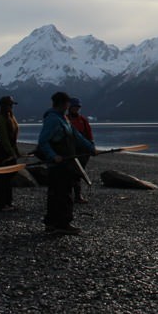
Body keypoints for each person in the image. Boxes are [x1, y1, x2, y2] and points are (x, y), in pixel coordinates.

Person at [37, 91, 96, 236]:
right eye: (68, 103)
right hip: (58, 164)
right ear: (63, 104)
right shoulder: (52, 120)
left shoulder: (64, 119)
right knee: (61, 194)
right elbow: (42, 142)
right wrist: (53, 155)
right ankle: (62, 224)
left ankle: (52, 223)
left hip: (67, 162)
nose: (70, 106)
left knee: (60, 192)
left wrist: (91, 148)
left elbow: (76, 136)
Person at [0, 95, 22, 211]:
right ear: (3, 106)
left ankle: (8, 203)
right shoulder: (1, 120)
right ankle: (1, 204)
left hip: (9, 152)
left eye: (12, 105)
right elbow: (4, 139)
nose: (11, 107)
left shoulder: (11, 118)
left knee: (8, 177)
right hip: (2, 153)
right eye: (10, 105)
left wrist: (16, 152)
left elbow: (13, 140)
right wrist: (12, 153)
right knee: (2, 178)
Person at [66, 97, 94, 204]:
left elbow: (89, 135)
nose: (76, 109)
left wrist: (91, 147)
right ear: (70, 107)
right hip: (69, 151)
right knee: (69, 174)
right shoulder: (65, 119)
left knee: (78, 173)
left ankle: (78, 196)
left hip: (83, 152)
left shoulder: (83, 120)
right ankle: (68, 196)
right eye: (74, 107)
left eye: (78, 107)